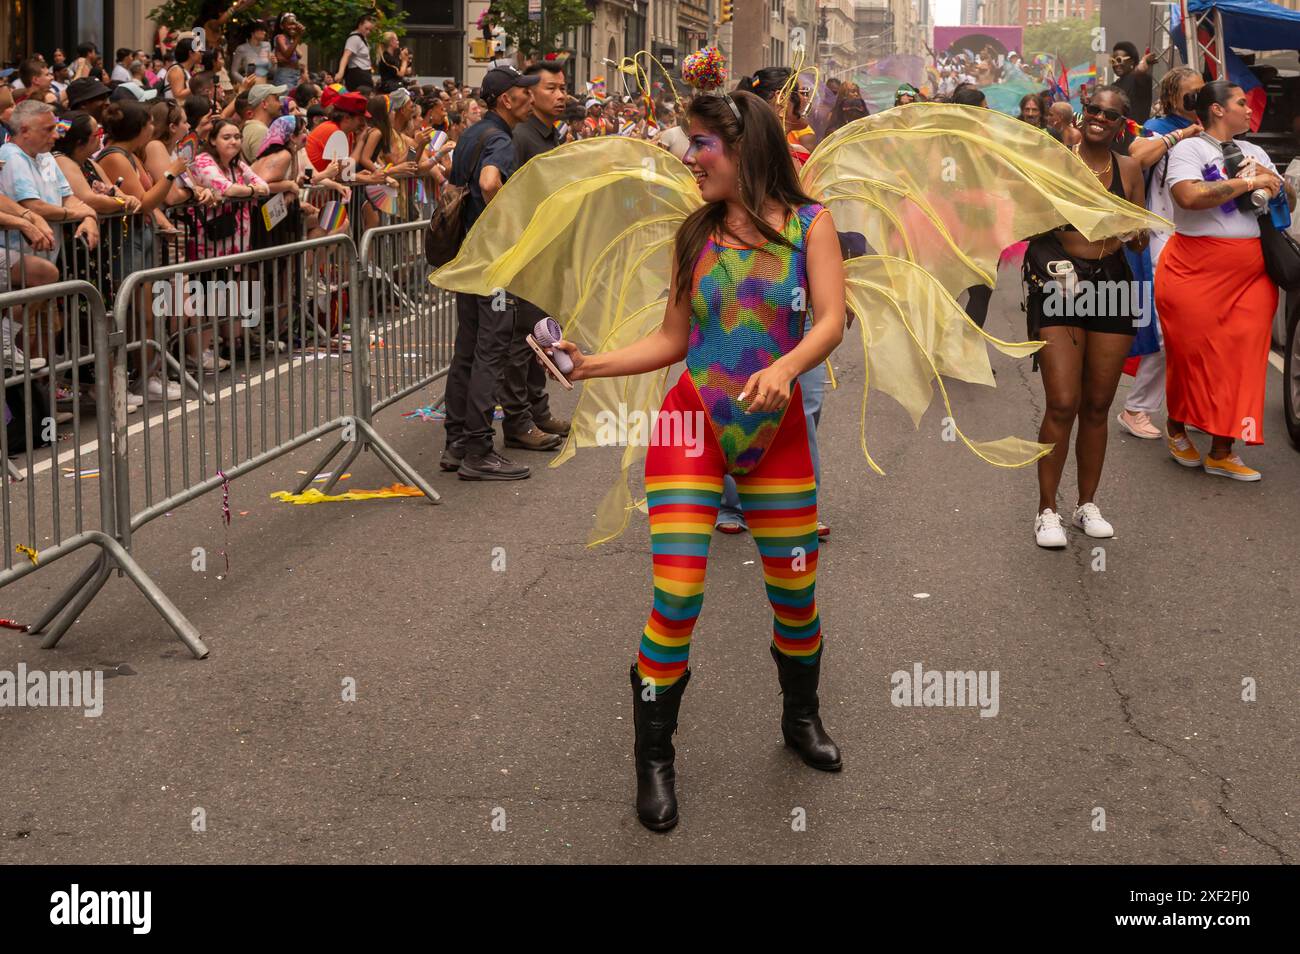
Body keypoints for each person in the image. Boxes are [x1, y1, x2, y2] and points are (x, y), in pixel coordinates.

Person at [545, 91, 847, 831]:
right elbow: (674, 337)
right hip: (691, 430)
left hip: (775, 440)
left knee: (796, 598)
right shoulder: (694, 235)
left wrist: (787, 367)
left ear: (746, 147)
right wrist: (592, 367)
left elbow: (835, 319)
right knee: (676, 597)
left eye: (703, 142)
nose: (689, 156)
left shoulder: (811, 224)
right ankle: (654, 762)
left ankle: (799, 718)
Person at [1023, 86, 1148, 548]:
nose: (1098, 117)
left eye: (1109, 114)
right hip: (1059, 284)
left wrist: (1134, 232)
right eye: (1092, 109)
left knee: (1098, 404)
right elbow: (1027, 222)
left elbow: (1138, 237)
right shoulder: (1055, 159)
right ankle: (1047, 510)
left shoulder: (1130, 169)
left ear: (1121, 124)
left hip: (1112, 284)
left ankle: (1086, 504)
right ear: (1082, 112)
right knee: (1062, 402)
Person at [1156, 80, 1295, 480]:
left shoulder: (1255, 150)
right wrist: (1247, 182)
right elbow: (1188, 196)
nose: (1250, 109)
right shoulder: (1189, 148)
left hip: (1252, 272)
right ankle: (1177, 425)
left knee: (1243, 359)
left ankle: (1223, 449)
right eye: (1240, 103)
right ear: (1217, 110)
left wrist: (1276, 182)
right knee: (1192, 357)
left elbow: (1284, 202)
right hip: (1193, 269)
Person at [440, 65, 539, 480]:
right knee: (491, 350)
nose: (531, 98)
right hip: (492, 262)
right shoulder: (501, 139)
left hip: (469, 259)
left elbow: (450, 186)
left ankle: (457, 442)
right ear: (506, 100)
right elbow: (489, 181)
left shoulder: (471, 134)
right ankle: (479, 450)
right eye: (525, 92)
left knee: (468, 347)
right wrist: (508, 224)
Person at [1117, 68, 1204, 441]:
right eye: (1190, 94)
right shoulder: (1155, 126)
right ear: (1172, 98)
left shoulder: (1212, 129)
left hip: (1202, 240)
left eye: (1203, 93)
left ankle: (1193, 407)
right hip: (1161, 239)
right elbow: (1137, 157)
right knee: (1163, 329)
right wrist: (1182, 134)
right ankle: (1135, 408)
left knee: (1197, 332)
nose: (1197, 101)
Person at [501, 60, 570, 453]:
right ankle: (518, 421)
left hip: (548, 250)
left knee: (542, 337)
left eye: (563, 88)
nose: (560, 95)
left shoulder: (551, 136)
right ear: (530, 93)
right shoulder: (521, 137)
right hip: (526, 253)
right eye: (551, 89)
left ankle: (538, 410)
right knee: (520, 340)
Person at [239, 83, 287, 163]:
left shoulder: (253, 127)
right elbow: (264, 169)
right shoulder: (260, 131)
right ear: (264, 104)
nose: (281, 104)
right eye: (277, 99)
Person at [1111, 41, 1156, 124]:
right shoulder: (1114, 85)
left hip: (1135, 135)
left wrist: (1144, 61)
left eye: (1119, 60)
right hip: (1118, 134)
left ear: (1132, 61)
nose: (1116, 64)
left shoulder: (1140, 79)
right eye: (1113, 61)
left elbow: (1140, 70)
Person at [339, 15, 376, 92]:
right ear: (360, 25)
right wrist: (340, 72)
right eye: (366, 28)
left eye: (370, 30)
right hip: (358, 75)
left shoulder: (362, 38)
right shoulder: (354, 38)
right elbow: (346, 56)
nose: (368, 32)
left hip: (363, 74)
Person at [271, 12, 306, 89]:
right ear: (282, 26)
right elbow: (287, 54)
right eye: (289, 24)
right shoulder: (280, 37)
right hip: (285, 75)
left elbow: (299, 55)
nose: (293, 27)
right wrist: (298, 36)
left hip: (295, 75)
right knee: (285, 99)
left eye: (294, 24)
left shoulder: (291, 40)